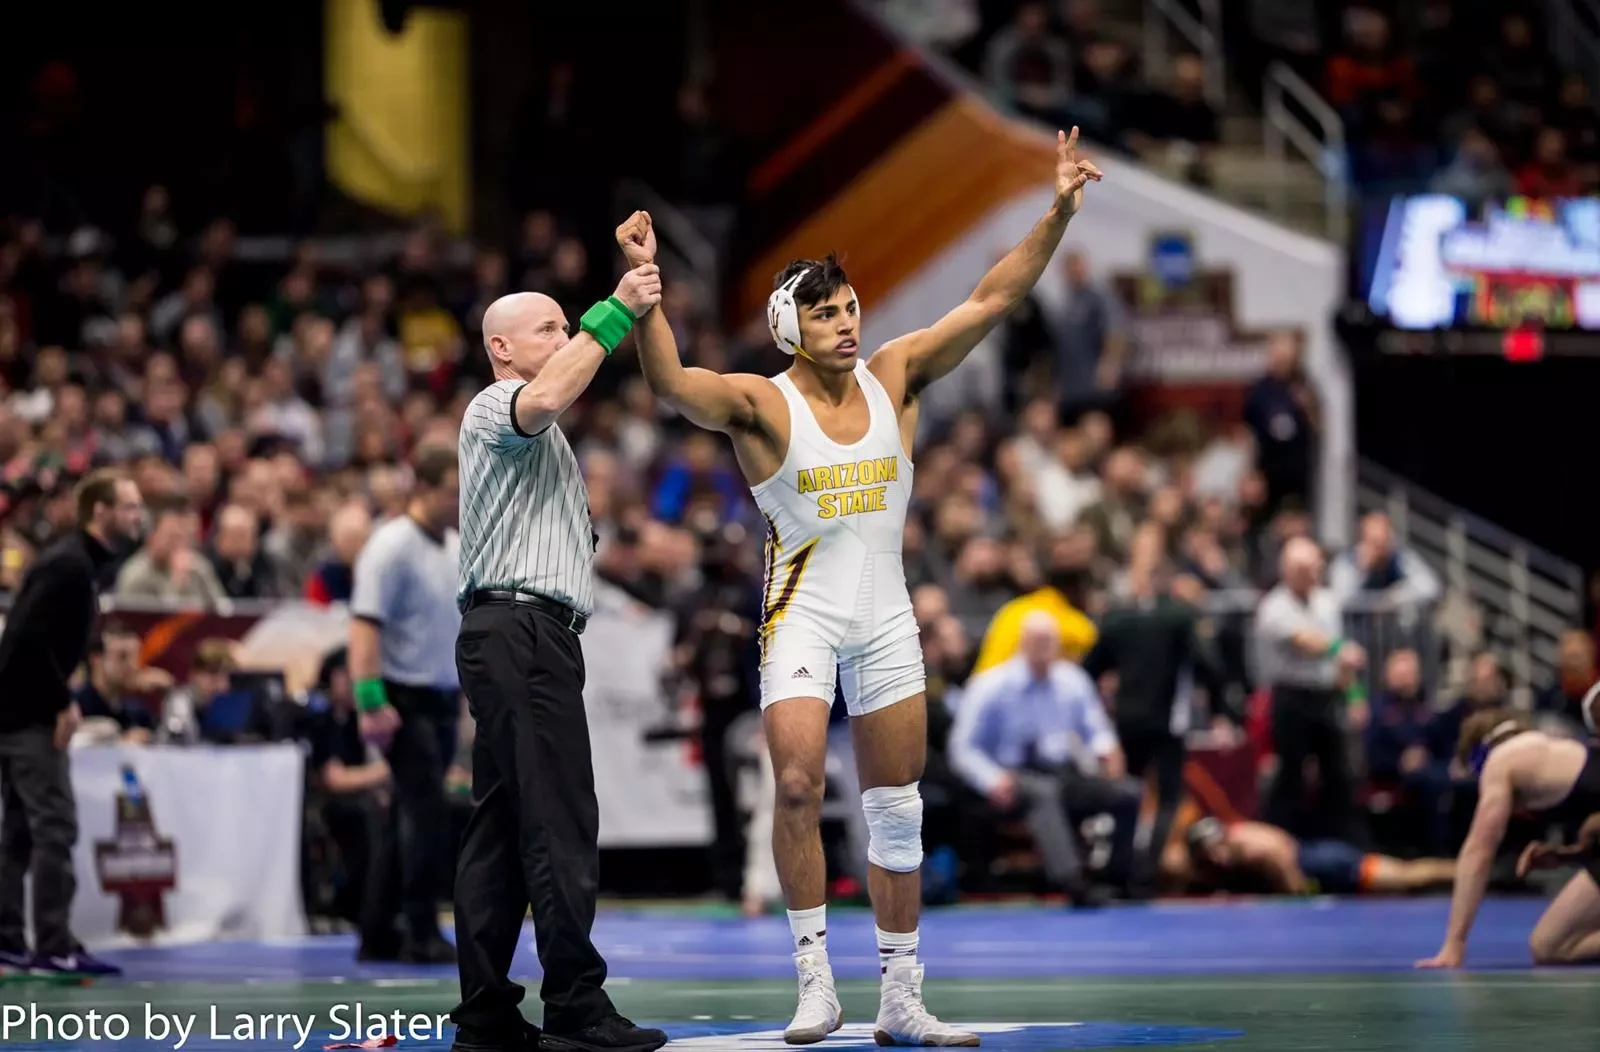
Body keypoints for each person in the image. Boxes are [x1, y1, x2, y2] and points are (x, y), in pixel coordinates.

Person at [623, 128, 1102, 1045]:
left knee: (896, 808)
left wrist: (1059, 212)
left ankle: (901, 998)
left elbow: (994, 297)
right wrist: (647, 299)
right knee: (797, 785)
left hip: (885, 616)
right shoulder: (765, 404)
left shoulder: (897, 374)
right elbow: (677, 387)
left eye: (849, 306)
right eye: (827, 313)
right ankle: (815, 983)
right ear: (788, 330)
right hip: (799, 614)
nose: (848, 321)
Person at [448, 260, 668, 1052]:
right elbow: (546, 395)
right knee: (560, 822)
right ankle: (576, 1005)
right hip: (521, 634)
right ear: (501, 349)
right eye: (549, 327)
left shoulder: (536, 432)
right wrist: (615, 309)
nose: (566, 334)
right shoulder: (497, 405)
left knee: (505, 827)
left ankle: (484, 1015)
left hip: (514, 634)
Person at [0, 469, 145, 976]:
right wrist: (62, 701)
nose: (137, 515)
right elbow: (25, 640)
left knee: (19, 829)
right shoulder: (68, 565)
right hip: (27, 717)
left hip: (21, 711)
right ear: (100, 512)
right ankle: (52, 944)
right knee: (53, 825)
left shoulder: (78, 564)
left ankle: (10, 940)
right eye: (129, 506)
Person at [347, 442, 464, 964]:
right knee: (425, 813)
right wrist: (370, 702)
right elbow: (364, 624)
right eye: (451, 494)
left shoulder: (455, 547)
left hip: (438, 696)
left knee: (411, 813)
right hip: (400, 696)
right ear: (422, 489)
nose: (459, 503)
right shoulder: (390, 546)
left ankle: (376, 930)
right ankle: (419, 929)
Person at [949, 611, 1143, 906]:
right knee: (1043, 793)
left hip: (1061, 771)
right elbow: (963, 748)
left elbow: (1096, 728)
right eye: (1037, 641)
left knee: (1128, 793)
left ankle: (1116, 879)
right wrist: (992, 779)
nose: (1043, 648)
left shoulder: (1072, 680)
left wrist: (1107, 750)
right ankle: (1073, 882)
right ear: (1022, 642)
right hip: (1011, 775)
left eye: (1049, 641)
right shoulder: (990, 685)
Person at [1417, 710, 1600, 968]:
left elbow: (1478, 851)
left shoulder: (1501, 761)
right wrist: (1567, 854)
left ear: (1479, 757)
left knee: (1552, 945)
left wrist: (1454, 943)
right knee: (1548, 944)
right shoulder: (1556, 747)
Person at [1252, 536, 1366, 841]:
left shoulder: (1327, 602)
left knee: (1338, 772)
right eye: (1302, 568)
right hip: (1291, 699)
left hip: (1326, 696)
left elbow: (1339, 662)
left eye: (1313, 566)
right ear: (1286, 570)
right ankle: (1283, 841)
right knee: (1291, 774)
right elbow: (1306, 641)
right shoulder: (1274, 606)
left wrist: (1354, 695)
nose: (1310, 574)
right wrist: (1340, 647)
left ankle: (1338, 842)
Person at [1184, 816, 1455, 896]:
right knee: (1405, 880)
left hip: (1325, 863)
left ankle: (1461, 871)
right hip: (1320, 862)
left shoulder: (1242, 838)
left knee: (1407, 877)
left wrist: (1300, 893)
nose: (1216, 858)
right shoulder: (1233, 844)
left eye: (1213, 850)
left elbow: (1280, 853)